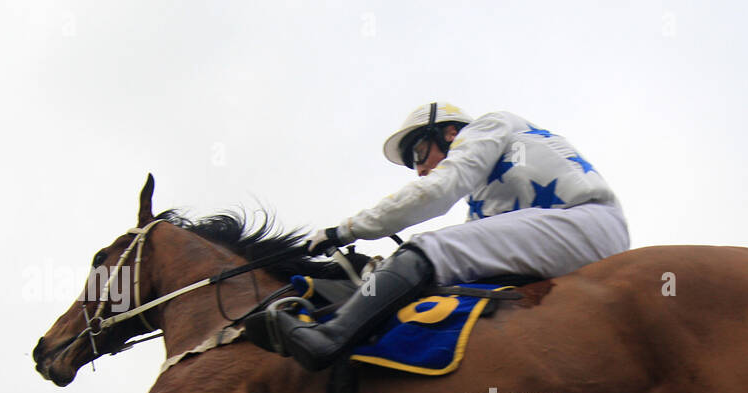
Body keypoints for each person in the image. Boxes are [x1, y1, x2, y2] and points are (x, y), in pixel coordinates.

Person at [242, 102, 630, 371]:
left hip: (584, 221)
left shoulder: (490, 125)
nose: (418, 169)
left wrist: (345, 230)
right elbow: (459, 258)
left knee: (432, 248)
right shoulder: (482, 206)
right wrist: (372, 271)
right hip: (571, 241)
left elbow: (436, 194)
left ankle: (329, 339)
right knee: (440, 273)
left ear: (449, 133)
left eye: (419, 153)